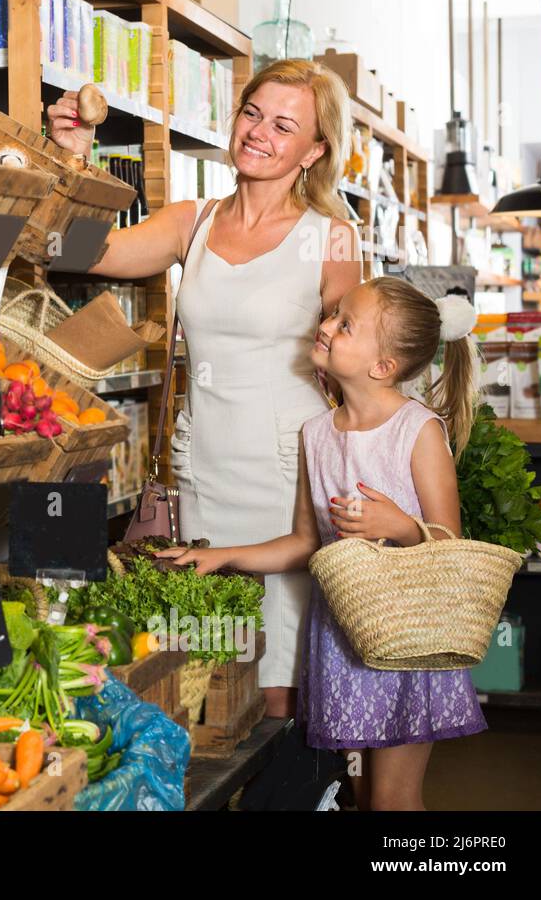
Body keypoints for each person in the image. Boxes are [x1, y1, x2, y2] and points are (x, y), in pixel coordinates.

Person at [47, 60, 362, 717]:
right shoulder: (193, 220)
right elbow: (83, 253)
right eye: (252, 113)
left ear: (316, 150)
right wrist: (70, 160)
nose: (259, 133)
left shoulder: (328, 238)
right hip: (203, 464)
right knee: (209, 657)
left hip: (287, 474)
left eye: (284, 125)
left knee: (275, 677)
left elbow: (357, 363)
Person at [157, 278, 483, 810]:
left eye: (345, 324)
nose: (326, 326)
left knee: (392, 801)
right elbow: (308, 543)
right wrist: (223, 555)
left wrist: (400, 525)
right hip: (339, 641)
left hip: (406, 644)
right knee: (355, 790)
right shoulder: (316, 433)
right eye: (333, 315)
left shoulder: (417, 430)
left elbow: (451, 546)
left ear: (383, 366)